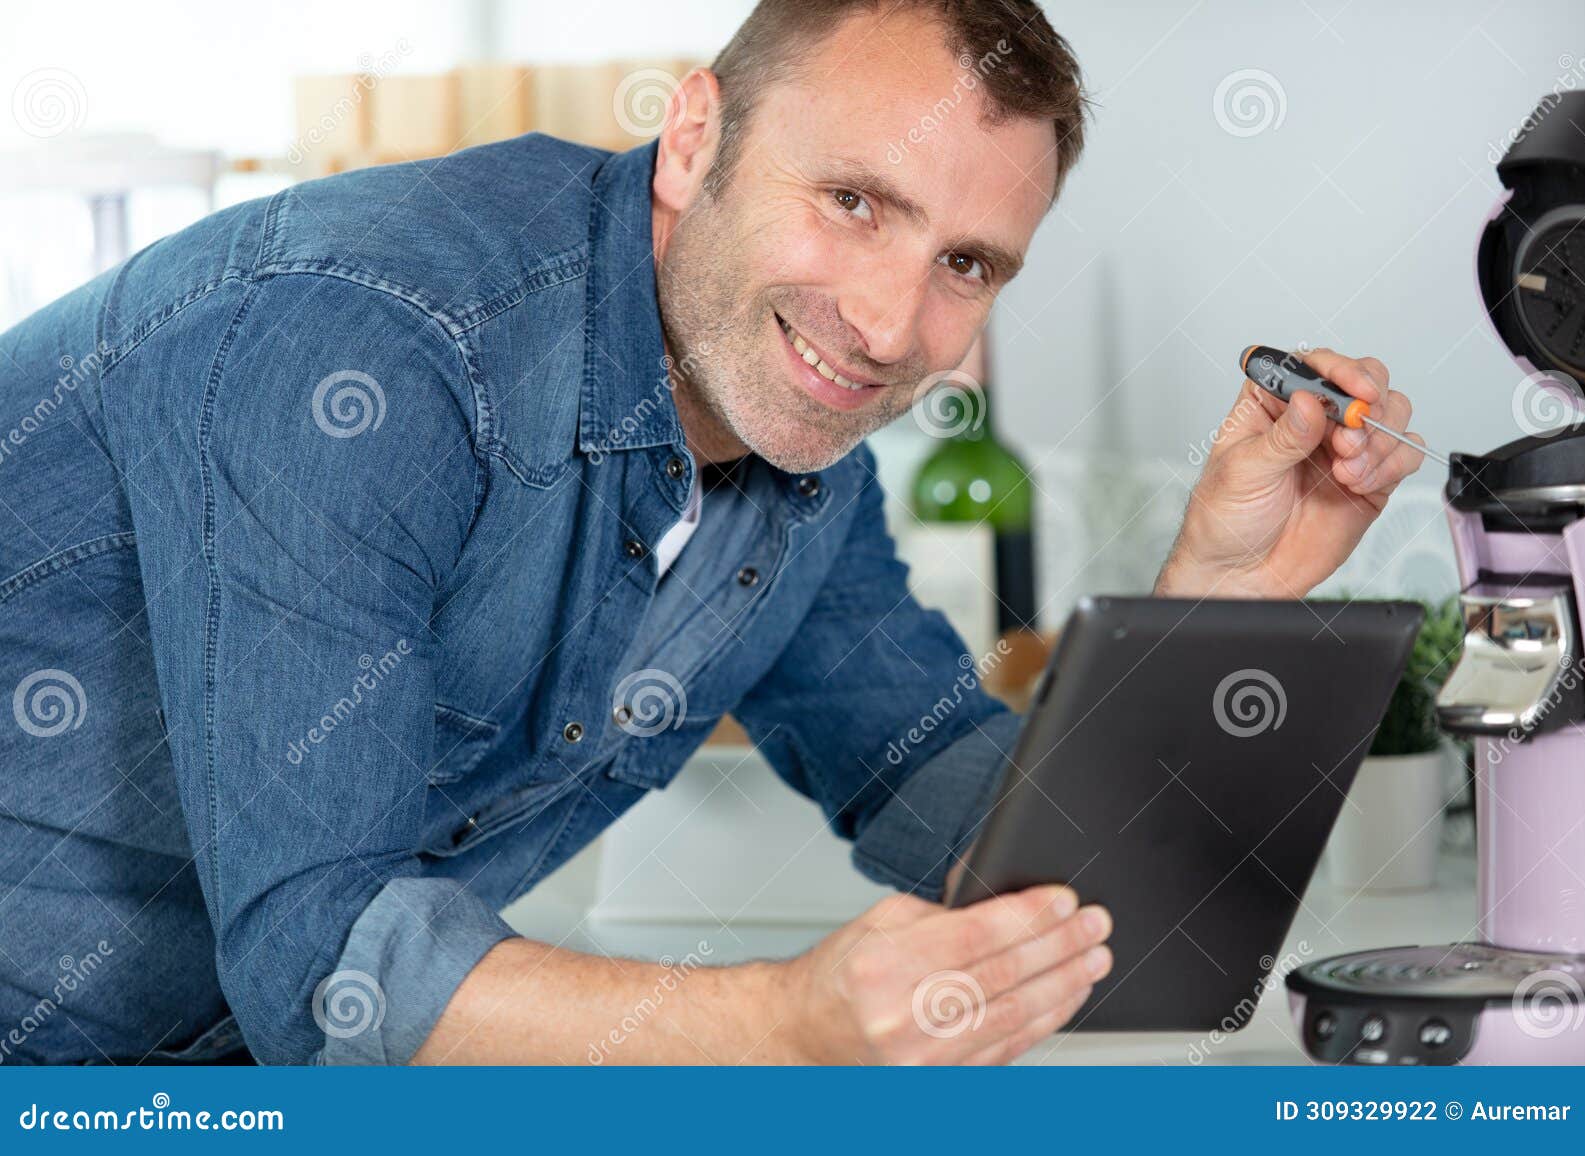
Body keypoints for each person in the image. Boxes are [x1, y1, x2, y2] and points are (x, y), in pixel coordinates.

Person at [0, 0, 1423, 1066]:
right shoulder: (366, 348)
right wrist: (787, 1020)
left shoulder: (793, 473)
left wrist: (1213, 593)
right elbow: (327, 968)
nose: (886, 326)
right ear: (695, 139)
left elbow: (1039, 890)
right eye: (853, 200)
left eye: (965, 264)